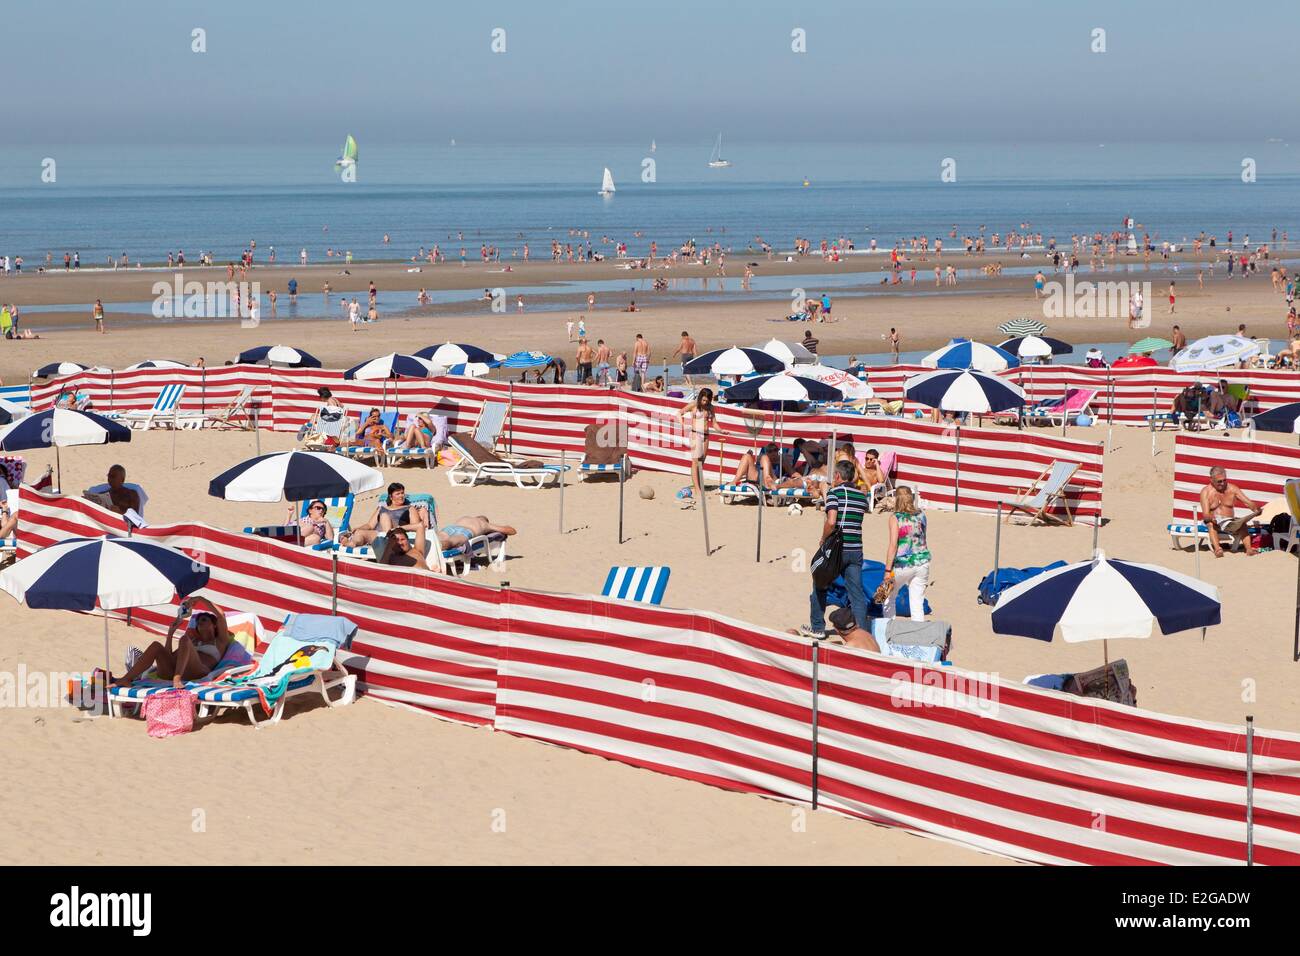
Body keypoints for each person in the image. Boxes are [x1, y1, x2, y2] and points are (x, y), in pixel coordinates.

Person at [111, 597, 249, 688]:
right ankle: (125, 678)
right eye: (198, 622)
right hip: (171, 672)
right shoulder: (193, 641)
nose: (200, 623)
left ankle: (177, 678)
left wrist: (199, 599)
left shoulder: (220, 641)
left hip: (198, 672)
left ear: (214, 625)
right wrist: (170, 633)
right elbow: (169, 656)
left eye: (204, 620)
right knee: (156, 646)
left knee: (184, 639)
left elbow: (220, 615)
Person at [803, 460, 870, 638]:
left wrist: (823, 539)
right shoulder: (861, 496)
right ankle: (862, 634)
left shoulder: (835, 493)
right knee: (856, 594)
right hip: (856, 548)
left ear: (838, 476)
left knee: (820, 584)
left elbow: (832, 521)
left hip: (837, 550)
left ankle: (817, 628)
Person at [881, 486, 931, 621]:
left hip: (902, 564)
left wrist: (887, 570)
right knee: (917, 602)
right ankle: (918, 634)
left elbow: (893, 545)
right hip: (922, 562)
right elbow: (922, 538)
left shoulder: (895, 518)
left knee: (888, 597)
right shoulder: (921, 515)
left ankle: (888, 629)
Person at [340, 482, 429, 549]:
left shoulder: (409, 508)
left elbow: (415, 527)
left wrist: (397, 528)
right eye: (398, 494)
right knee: (359, 533)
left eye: (402, 493)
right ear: (391, 497)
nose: (401, 496)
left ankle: (389, 543)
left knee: (384, 516)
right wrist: (359, 528)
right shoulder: (381, 508)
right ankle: (352, 544)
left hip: (396, 536)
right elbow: (370, 525)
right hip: (378, 535)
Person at [1199, 466, 1261, 557]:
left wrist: (1256, 509)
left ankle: (1249, 550)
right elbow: (1206, 515)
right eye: (1219, 481)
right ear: (1211, 479)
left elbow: (1248, 502)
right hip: (1214, 522)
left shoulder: (1232, 489)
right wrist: (1213, 519)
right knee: (1210, 524)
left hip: (1230, 523)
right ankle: (1218, 549)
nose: (1223, 483)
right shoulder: (1206, 492)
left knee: (1242, 523)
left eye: (1224, 480)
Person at [678, 387, 716, 504]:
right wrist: (683, 424)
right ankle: (697, 490)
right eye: (703, 400)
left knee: (702, 462)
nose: (704, 402)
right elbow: (679, 413)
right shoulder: (694, 404)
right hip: (695, 434)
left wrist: (722, 431)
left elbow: (714, 423)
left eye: (707, 401)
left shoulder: (710, 407)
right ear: (700, 397)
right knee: (695, 462)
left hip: (706, 435)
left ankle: (698, 486)